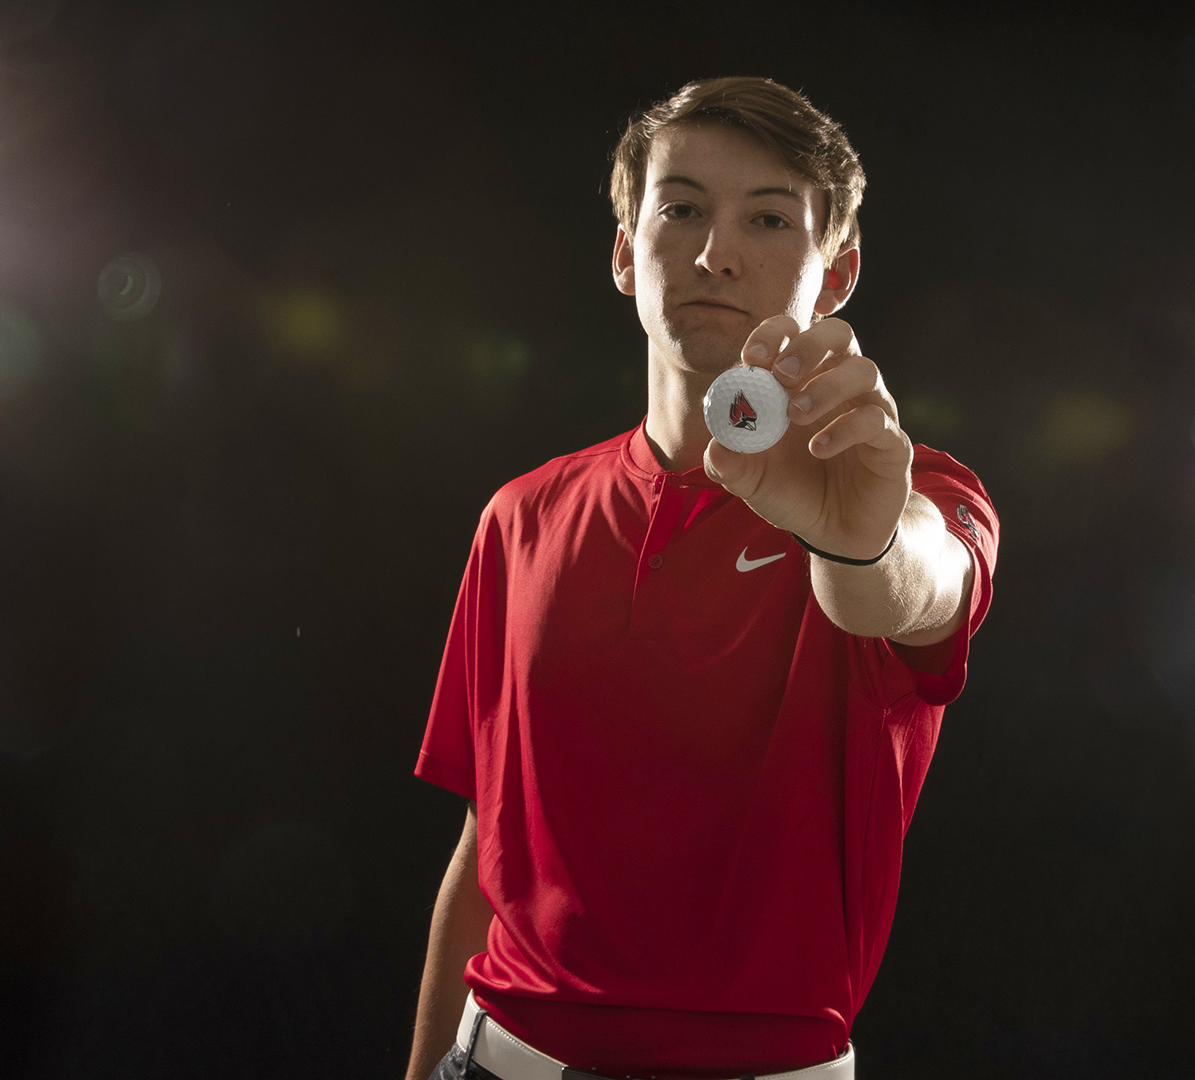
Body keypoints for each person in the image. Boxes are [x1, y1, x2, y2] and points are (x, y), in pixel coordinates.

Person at [407, 77, 999, 1080]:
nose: (714, 252)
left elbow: (914, 583)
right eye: (679, 209)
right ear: (623, 255)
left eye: (768, 218)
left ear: (838, 272)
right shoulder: (519, 518)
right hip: (497, 1056)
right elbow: (487, 846)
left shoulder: (908, 489)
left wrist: (857, 541)